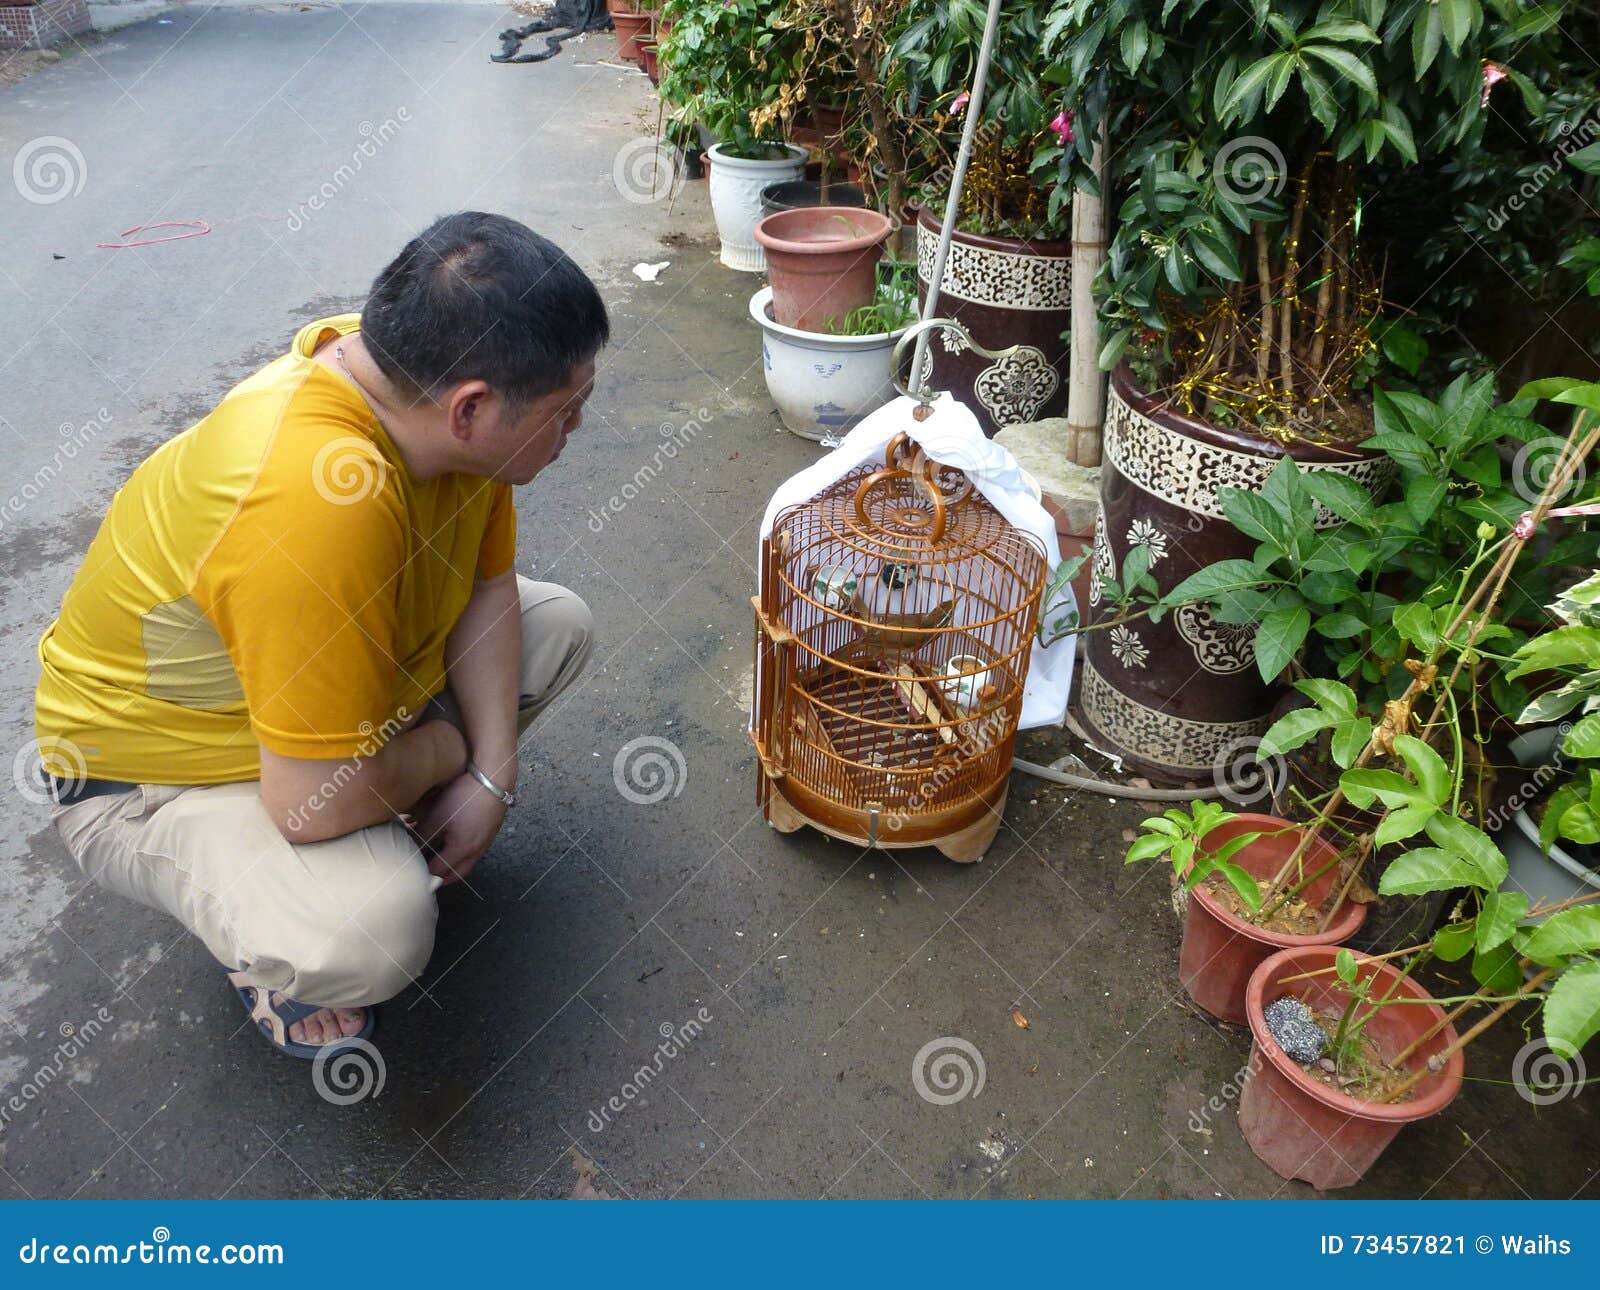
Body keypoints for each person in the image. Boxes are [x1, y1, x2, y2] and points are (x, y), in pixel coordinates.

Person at [32, 212, 606, 1058]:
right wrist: (455, 753)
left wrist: (495, 775)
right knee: (369, 934)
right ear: (472, 408)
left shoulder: (411, 387)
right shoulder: (316, 496)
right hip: (153, 774)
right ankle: (264, 943)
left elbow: (489, 590)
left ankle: (378, 814)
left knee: (554, 626)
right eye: (568, 409)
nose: (575, 430)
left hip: (325, 710)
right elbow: (313, 803)